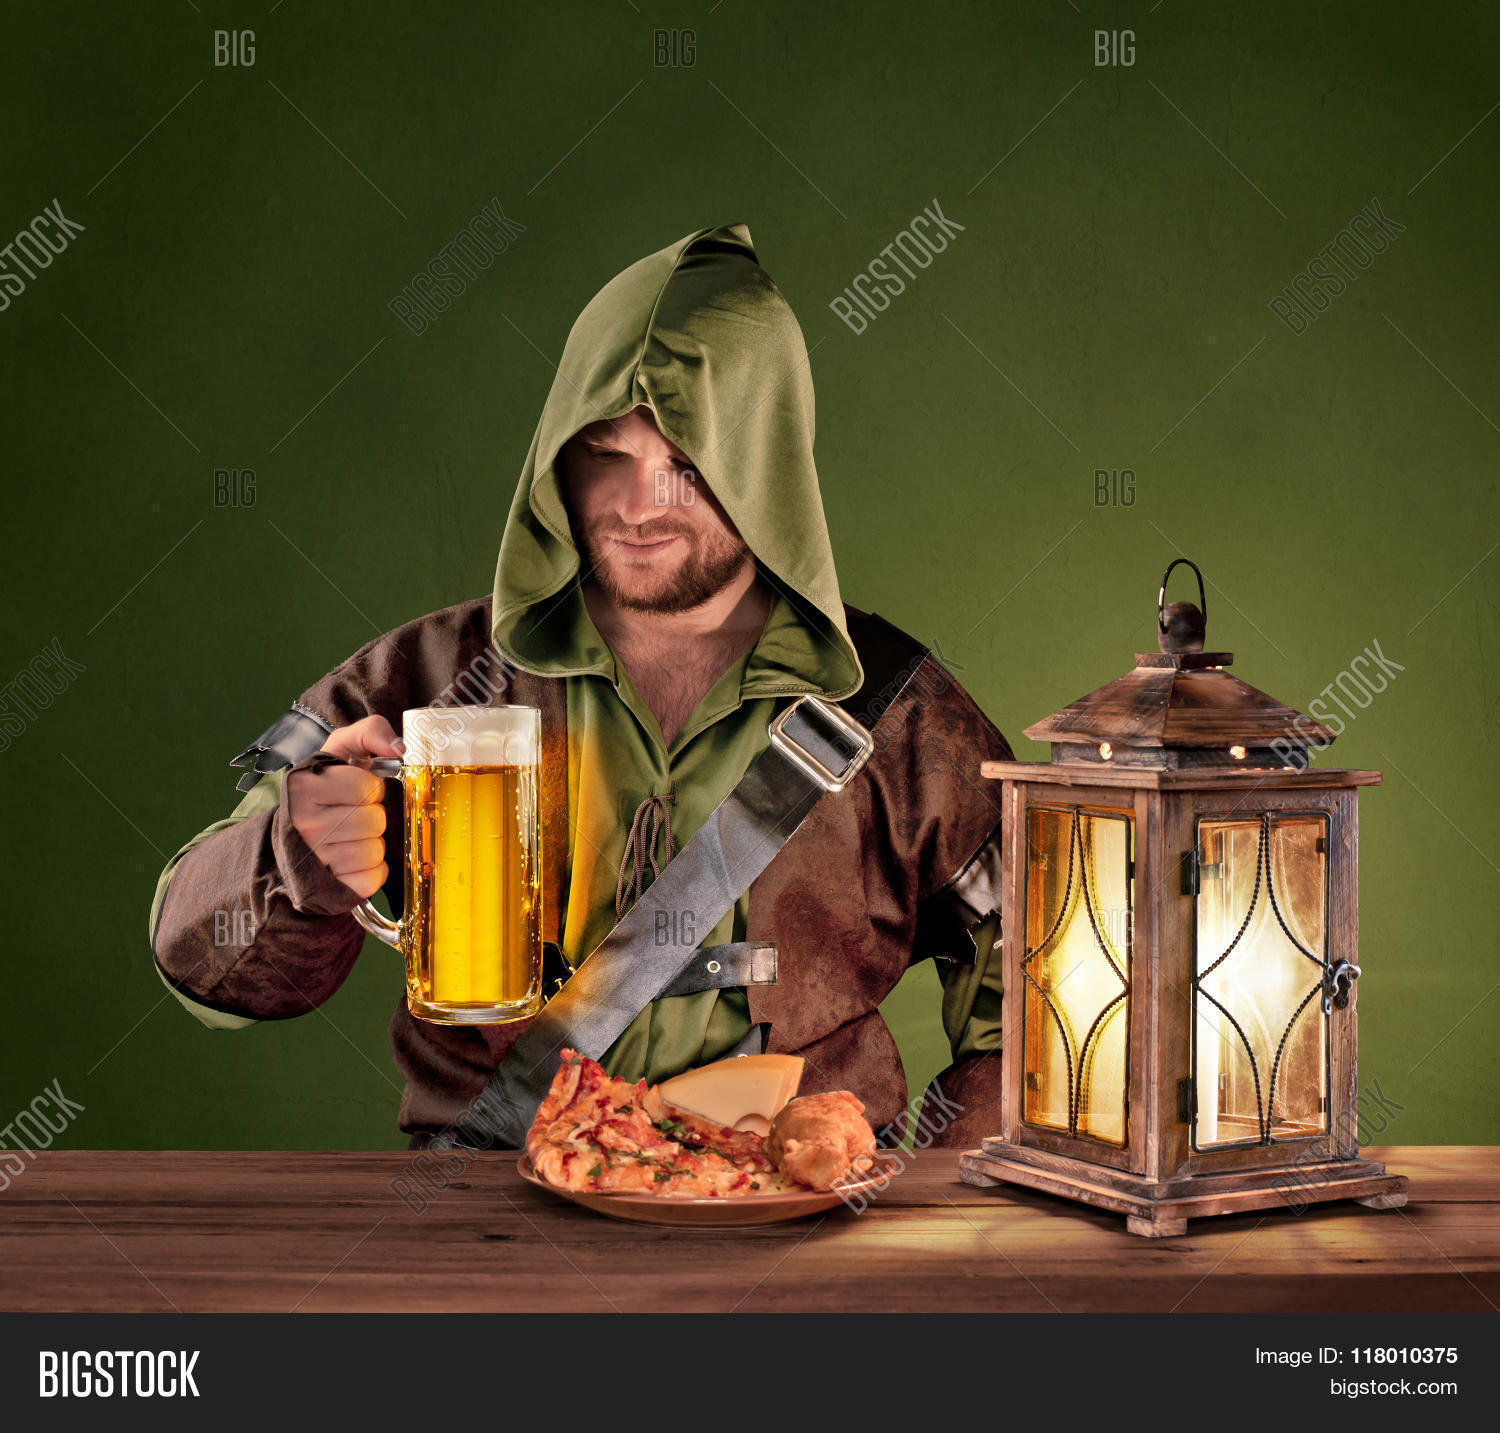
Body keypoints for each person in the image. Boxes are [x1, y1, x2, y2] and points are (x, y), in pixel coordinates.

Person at [148, 223, 1013, 1149]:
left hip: (797, 1242)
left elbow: (1050, 1024)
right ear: (557, 453)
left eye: (688, 465)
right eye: (607, 453)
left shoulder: (900, 713)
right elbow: (195, 957)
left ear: (765, 469)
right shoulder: (435, 678)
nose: (641, 506)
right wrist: (291, 860)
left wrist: (920, 1205)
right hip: (493, 1226)